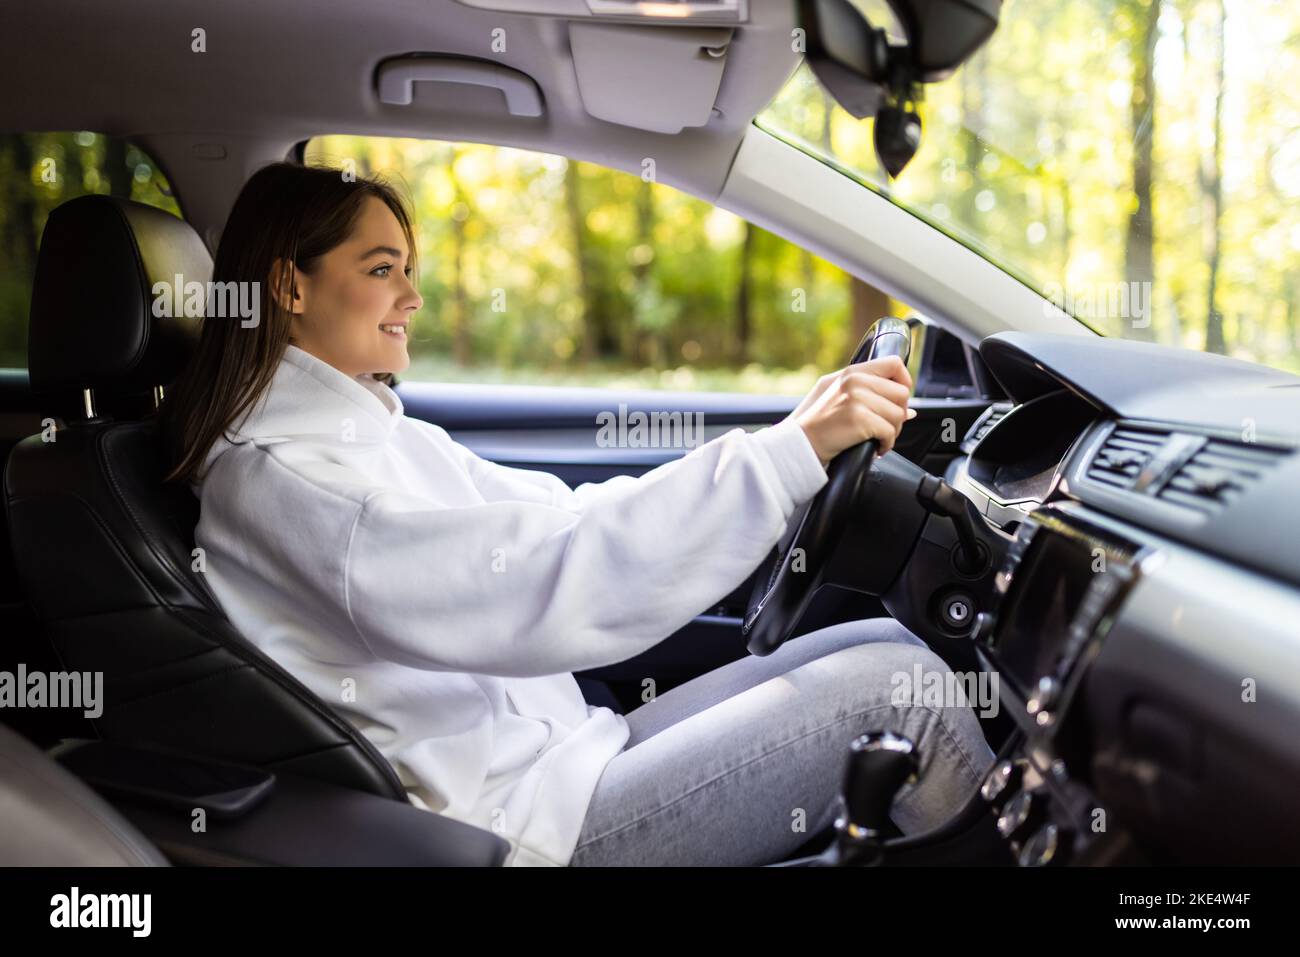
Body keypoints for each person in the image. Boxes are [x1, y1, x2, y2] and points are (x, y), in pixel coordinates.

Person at [160, 162, 995, 867]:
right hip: (524, 828)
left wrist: (786, 449)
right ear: (288, 284)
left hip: (565, 758)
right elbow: (536, 578)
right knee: (897, 692)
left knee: (883, 644)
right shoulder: (291, 479)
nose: (413, 295)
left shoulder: (365, 430)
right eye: (383, 269)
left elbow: (561, 514)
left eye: (409, 267)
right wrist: (785, 456)